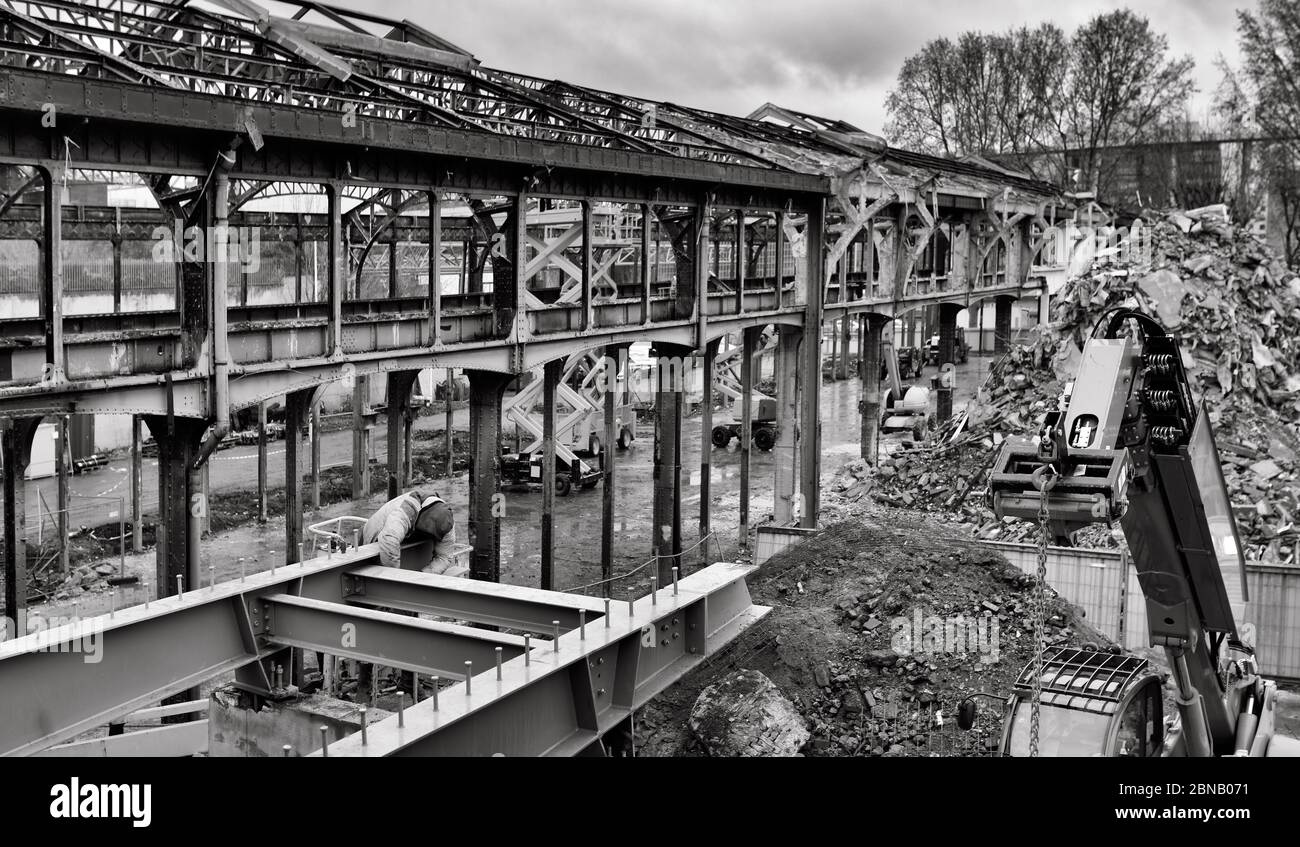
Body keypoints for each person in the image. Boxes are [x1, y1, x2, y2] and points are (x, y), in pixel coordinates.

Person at [361, 490, 457, 573]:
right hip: (372, 538)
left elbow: (444, 557)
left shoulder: (447, 522)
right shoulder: (407, 509)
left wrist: (423, 576)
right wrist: (396, 578)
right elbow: (389, 540)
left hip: (403, 540)